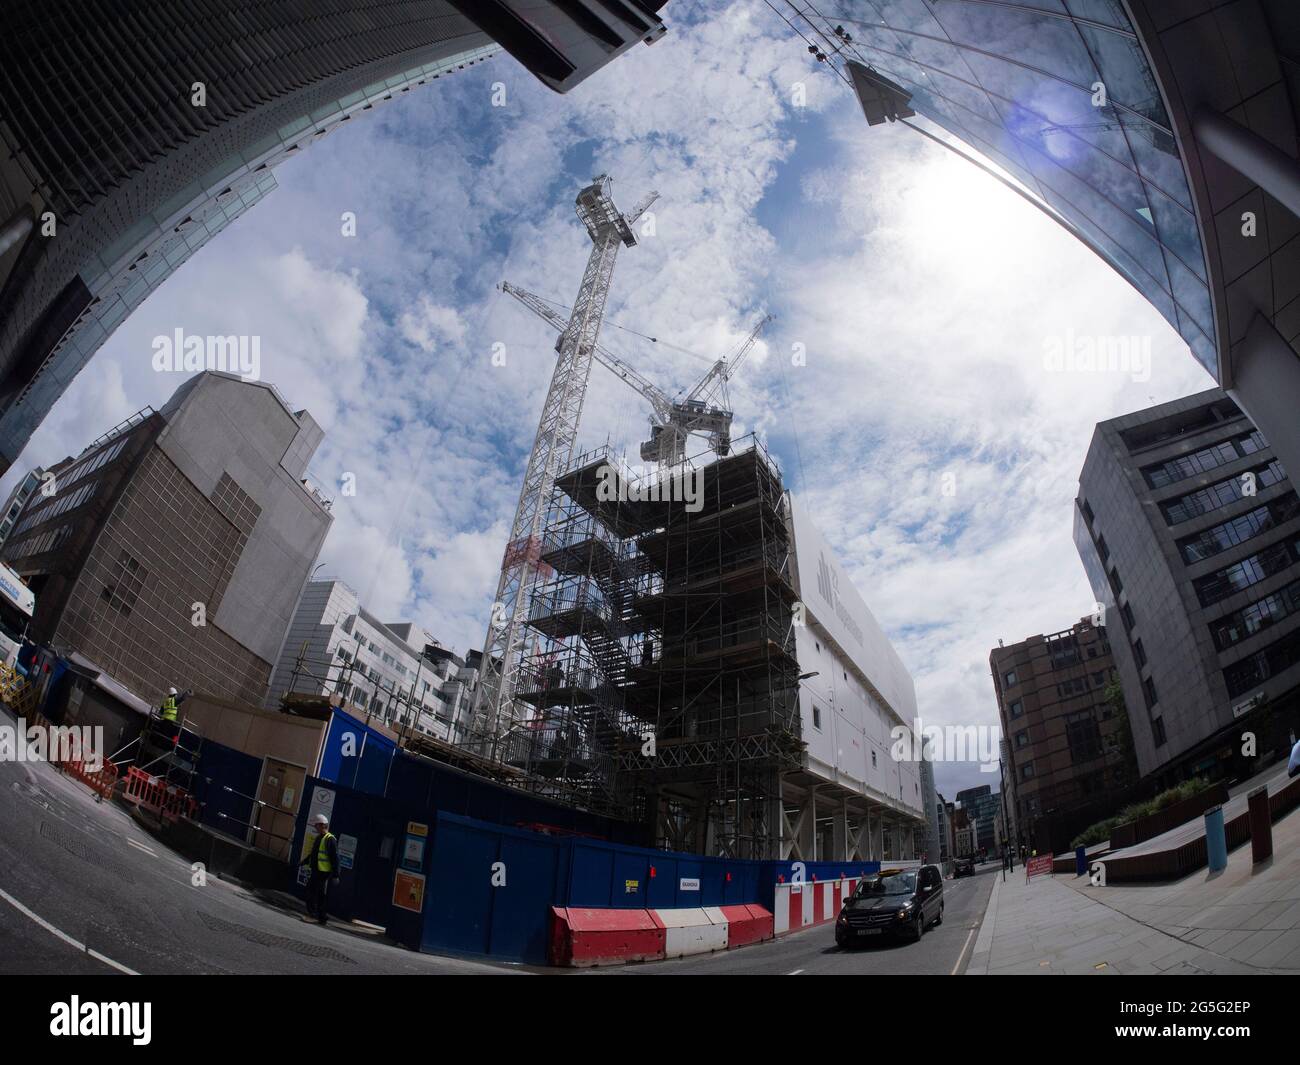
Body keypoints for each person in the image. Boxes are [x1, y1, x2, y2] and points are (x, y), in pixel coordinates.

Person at [300, 814, 340, 924]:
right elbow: (314, 854)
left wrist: (336, 875)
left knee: (314, 892)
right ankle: (320, 916)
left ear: (322, 825)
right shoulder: (319, 838)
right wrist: (304, 861)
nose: (315, 827)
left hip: (323, 872)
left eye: (316, 825)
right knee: (317, 893)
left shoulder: (330, 839)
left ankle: (316, 915)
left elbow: (335, 858)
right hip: (317, 870)